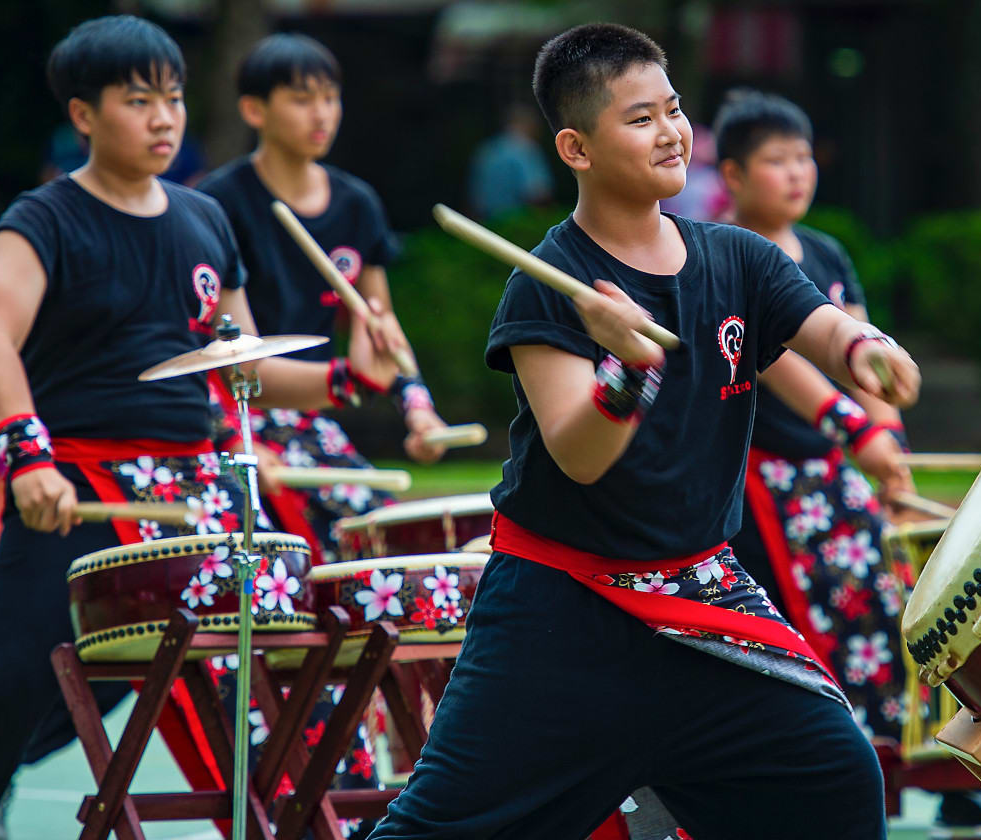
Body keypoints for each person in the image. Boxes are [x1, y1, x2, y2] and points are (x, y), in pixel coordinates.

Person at [368, 23, 919, 839]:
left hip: (704, 597)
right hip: (562, 612)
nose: (670, 132)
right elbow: (579, 454)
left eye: (673, 109)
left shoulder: (737, 258)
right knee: (442, 827)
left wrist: (867, 350)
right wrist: (625, 372)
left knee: (833, 778)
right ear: (575, 146)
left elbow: (824, 327)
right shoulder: (546, 288)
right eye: (638, 118)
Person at [0, 14, 399, 817]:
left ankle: (319, 814)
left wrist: (348, 381)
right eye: (139, 100)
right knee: (14, 677)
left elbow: (241, 370)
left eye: (172, 98)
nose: (165, 117)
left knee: (290, 652)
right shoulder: (42, 221)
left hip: (195, 495)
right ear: (83, 115)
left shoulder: (204, 219)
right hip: (81, 483)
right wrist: (26, 455)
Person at [197, 33, 450, 563]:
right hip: (230, 418)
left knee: (385, 545)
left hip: (310, 415)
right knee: (273, 558)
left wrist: (418, 410)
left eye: (330, 97)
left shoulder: (357, 205)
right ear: (253, 109)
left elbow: (381, 326)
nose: (322, 114)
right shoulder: (217, 204)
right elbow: (220, 356)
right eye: (301, 98)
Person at [713, 88, 916, 743]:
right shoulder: (725, 253)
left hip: (830, 466)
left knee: (887, 598)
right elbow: (775, 360)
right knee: (792, 623)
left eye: (804, 157)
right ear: (735, 175)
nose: (798, 172)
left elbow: (865, 355)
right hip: (757, 478)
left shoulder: (825, 252)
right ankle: (819, 743)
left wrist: (886, 434)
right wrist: (857, 431)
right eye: (778, 160)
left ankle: (893, 745)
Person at [466, 103, 553, 221]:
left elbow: (473, 196)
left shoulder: (486, 149)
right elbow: (537, 193)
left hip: (486, 223)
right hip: (518, 225)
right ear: (530, 125)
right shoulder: (526, 148)